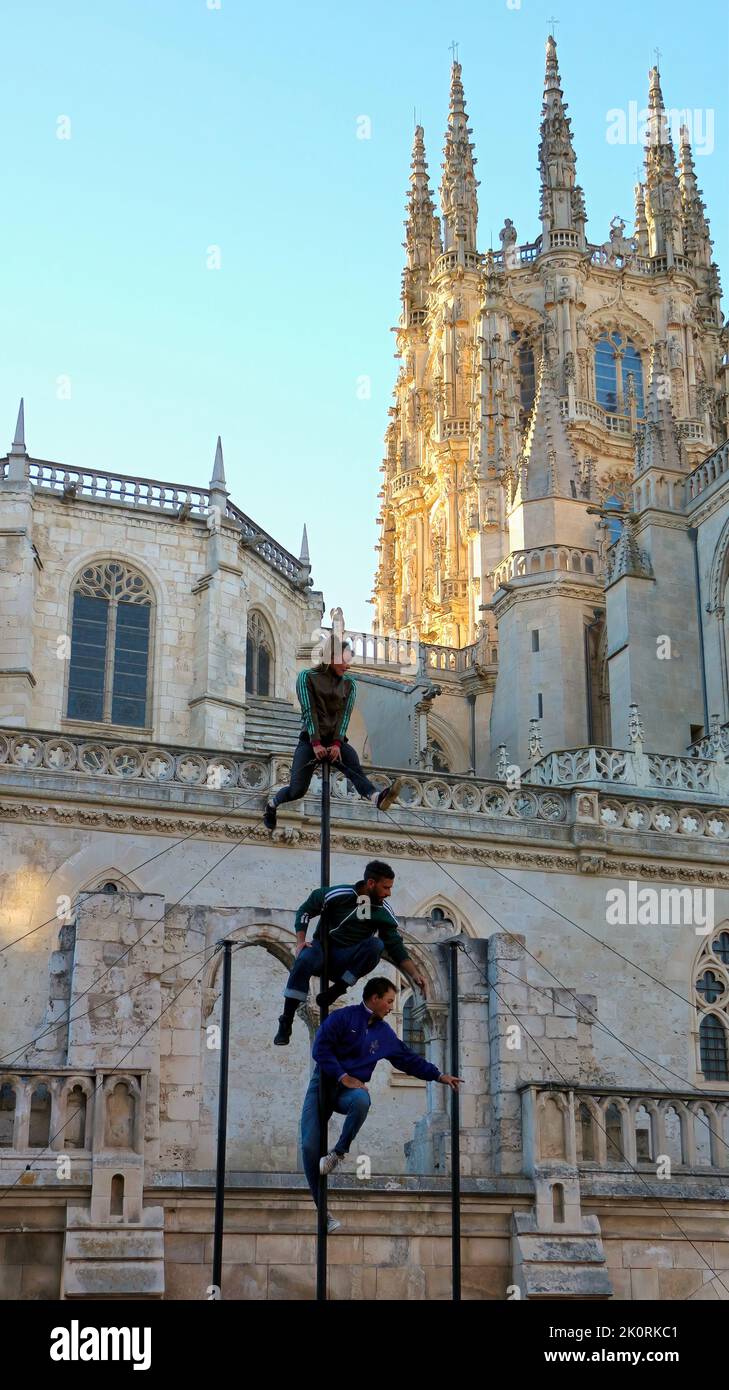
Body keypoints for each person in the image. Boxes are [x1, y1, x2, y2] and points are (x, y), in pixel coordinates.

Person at [301, 976, 463, 1232]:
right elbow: (320, 1049)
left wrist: (438, 1075)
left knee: (362, 1100)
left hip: (349, 1092)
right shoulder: (343, 1018)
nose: (391, 1007)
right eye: (388, 1001)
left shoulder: (384, 1033)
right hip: (323, 1084)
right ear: (374, 999)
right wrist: (344, 1076)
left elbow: (408, 1059)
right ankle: (324, 1213)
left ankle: (338, 1153)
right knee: (309, 1146)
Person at [274, 860, 427, 1045]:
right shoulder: (339, 895)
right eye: (385, 887)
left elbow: (395, 946)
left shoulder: (383, 911)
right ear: (371, 883)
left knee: (376, 945)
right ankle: (286, 1019)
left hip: (346, 960)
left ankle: (337, 990)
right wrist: (300, 942)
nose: (389, 893)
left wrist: (415, 974)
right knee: (304, 958)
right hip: (323, 951)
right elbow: (306, 910)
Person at [263, 638, 401, 830]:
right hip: (311, 740)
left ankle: (376, 797)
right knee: (297, 790)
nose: (348, 666)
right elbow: (308, 711)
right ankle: (272, 805)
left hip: (334, 740)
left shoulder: (349, 685)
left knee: (353, 765)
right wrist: (316, 743)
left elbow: (344, 717)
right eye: (345, 660)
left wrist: (336, 744)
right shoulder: (306, 677)